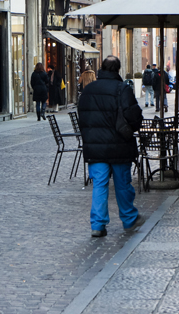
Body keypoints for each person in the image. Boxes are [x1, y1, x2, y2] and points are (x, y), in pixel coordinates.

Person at [77, 55, 144, 237]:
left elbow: (82, 118)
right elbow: (135, 117)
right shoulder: (122, 89)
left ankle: (97, 225)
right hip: (119, 146)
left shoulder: (88, 91)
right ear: (117, 70)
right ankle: (129, 218)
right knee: (122, 184)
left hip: (95, 147)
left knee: (99, 185)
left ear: (102, 69)